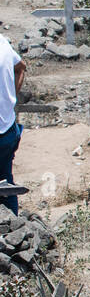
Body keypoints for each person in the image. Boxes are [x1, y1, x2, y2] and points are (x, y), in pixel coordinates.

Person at [0, 35, 25, 216]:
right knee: (6, 184)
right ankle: (15, 230)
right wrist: (12, 97)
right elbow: (21, 67)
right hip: (8, 129)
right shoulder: (4, 44)